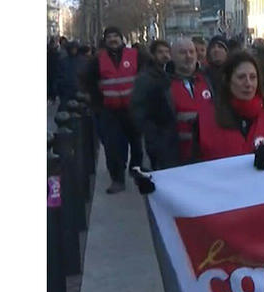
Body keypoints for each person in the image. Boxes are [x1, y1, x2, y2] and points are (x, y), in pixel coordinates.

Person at [131, 38, 216, 170]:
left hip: (206, 155)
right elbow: (142, 117)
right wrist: (157, 145)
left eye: (191, 52)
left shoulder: (208, 80)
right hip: (172, 157)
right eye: (182, 53)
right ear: (172, 56)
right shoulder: (158, 83)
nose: (188, 56)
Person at [82, 26, 144, 193]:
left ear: (121, 38)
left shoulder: (135, 55)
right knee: (113, 146)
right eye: (109, 37)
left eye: (116, 36)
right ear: (105, 40)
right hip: (110, 110)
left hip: (133, 108)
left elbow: (148, 74)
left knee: (137, 143)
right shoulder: (97, 60)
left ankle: (136, 169)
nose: (113, 39)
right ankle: (117, 179)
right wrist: (97, 103)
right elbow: (87, 81)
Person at [195, 51, 264, 163]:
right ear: (228, 80)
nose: (248, 84)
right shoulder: (206, 118)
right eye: (241, 77)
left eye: (253, 77)